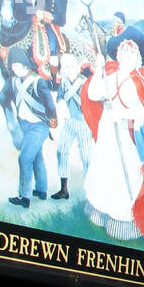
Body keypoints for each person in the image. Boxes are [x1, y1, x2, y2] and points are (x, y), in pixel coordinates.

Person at [80, 27, 144, 243]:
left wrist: (125, 113)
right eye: (124, 51)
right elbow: (94, 93)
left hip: (128, 137)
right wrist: (98, 70)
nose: (127, 55)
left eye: (132, 52)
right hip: (108, 133)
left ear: (138, 58)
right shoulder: (110, 75)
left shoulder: (142, 81)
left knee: (126, 174)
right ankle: (100, 210)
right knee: (105, 171)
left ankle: (124, 220)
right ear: (118, 54)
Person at [0, 51, 58, 208]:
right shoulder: (13, 82)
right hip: (23, 125)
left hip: (39, 127)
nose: (16, 69)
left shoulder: (39, 82)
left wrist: (52, 120)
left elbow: (50, 105)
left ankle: (24, 197)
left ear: (26, 65)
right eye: (14, 66)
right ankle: (41, 190)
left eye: (18, 65)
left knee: (24, 159)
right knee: (36, 157)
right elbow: (2, 96)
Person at [52, 52, 94, 201]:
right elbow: (60, 96)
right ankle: (63, 189)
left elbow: (92, 102)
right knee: (61, 151)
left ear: (77, 67)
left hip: (83, 123)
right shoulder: (64, 82)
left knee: (86, 157)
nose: (69, 69)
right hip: (69, 122)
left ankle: (91, 191)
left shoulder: (85, 82)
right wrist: (61, 102)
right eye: (66, 67)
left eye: (71, 66)